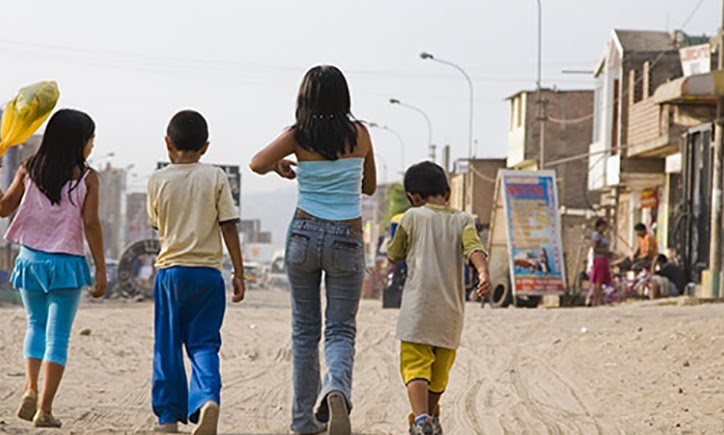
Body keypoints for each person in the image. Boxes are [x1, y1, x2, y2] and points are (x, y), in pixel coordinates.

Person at [250, 65, 376, 435]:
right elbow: (368, 186)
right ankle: (336, 386)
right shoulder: (361, 133)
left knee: (305, 331)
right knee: (340, 329)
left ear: (304, 98)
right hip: (347, 239)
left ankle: (305, 420)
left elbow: (256, 163)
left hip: (304, 235)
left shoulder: (298, 135)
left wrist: (280, 166)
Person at [0, 108, 107, 428]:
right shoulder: (88, 178)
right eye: (90, 140)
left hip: (30, 262)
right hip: (66, 264)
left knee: (35, 326)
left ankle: (29, 388)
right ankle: (45, 409)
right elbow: (91, 224)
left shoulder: (28, 169)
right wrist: (102, 270)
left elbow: (2, 208)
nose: (92, 146)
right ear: (79, 141)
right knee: (58, 337)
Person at [147, 110, 246, 434]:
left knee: (168, 345)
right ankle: (206, 399)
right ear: (205, 147)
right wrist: (239, 273)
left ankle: (167, 419)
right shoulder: (216, 176)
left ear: (167, 143)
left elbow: (158, 225)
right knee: (204, 343)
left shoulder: (157, 180)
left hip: (171, 273)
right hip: (207, 275)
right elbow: (228, 226)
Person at [386, 161, 491, 435]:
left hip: (418, 309)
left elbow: (394, 254)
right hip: (450, 312)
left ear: (414, 197)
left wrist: (394, 249)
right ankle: (431, 415)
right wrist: (482, 273)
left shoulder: (411, 216)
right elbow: (474, 248)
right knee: (439, 373)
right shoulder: (463, 220)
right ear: (447, 192)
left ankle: (421, 419)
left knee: (415, 366)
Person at [587, 218, 613, 306]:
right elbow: (595, 248)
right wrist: (606, 252)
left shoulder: (603, 236)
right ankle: (596, 299)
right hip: (599, 259)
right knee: (598, 280)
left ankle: (600, 299)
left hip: (604, 259)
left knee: (601, 281)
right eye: (603, 226)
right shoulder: (596, 235)